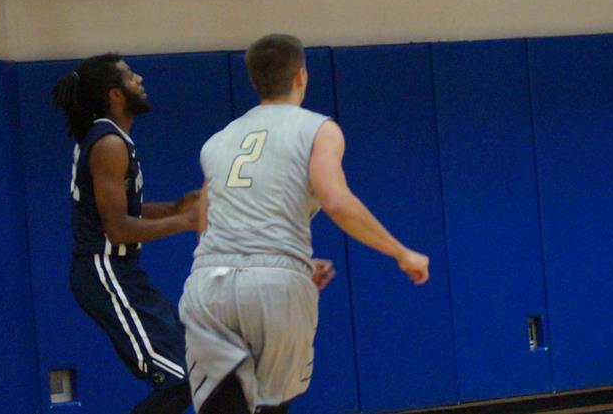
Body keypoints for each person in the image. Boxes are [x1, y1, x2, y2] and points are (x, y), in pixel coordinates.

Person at [180, 34, 429, 414]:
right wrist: (400, 251)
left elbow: (206, 217)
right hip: (275, 288)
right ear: (302, 76)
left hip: (207, 284)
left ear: (254, 81)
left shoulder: (218, 140)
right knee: (271, 406)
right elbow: (335, 200)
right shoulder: (318, 128)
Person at [52, 53, 207, 414]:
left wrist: (173, 209)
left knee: (194, 367)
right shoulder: (109, 144)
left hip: (118, 271)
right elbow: (118, 229)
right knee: (179, 377)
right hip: (104, 269)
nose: (139, 79)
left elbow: (121, 213)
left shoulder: (111, 139)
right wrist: (187, 222)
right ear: (115, 94)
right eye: (129, 75)